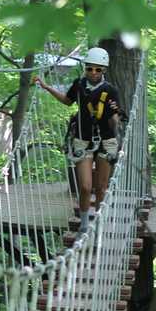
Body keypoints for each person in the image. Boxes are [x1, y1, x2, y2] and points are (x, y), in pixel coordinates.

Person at [33, 47, 123, 232]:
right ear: (85, 69)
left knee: (101, 187)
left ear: (103, 70)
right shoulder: (79, 85)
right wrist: (47, 87)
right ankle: (84, 224)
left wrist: (115, 115)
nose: (93, 73)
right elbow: (67, 101)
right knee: (84, 186)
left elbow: (115, 121)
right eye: (90, 68)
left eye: (98, 69)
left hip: (106, 141)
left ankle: (98, 225)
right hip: (83, 140)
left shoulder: (111, 90)